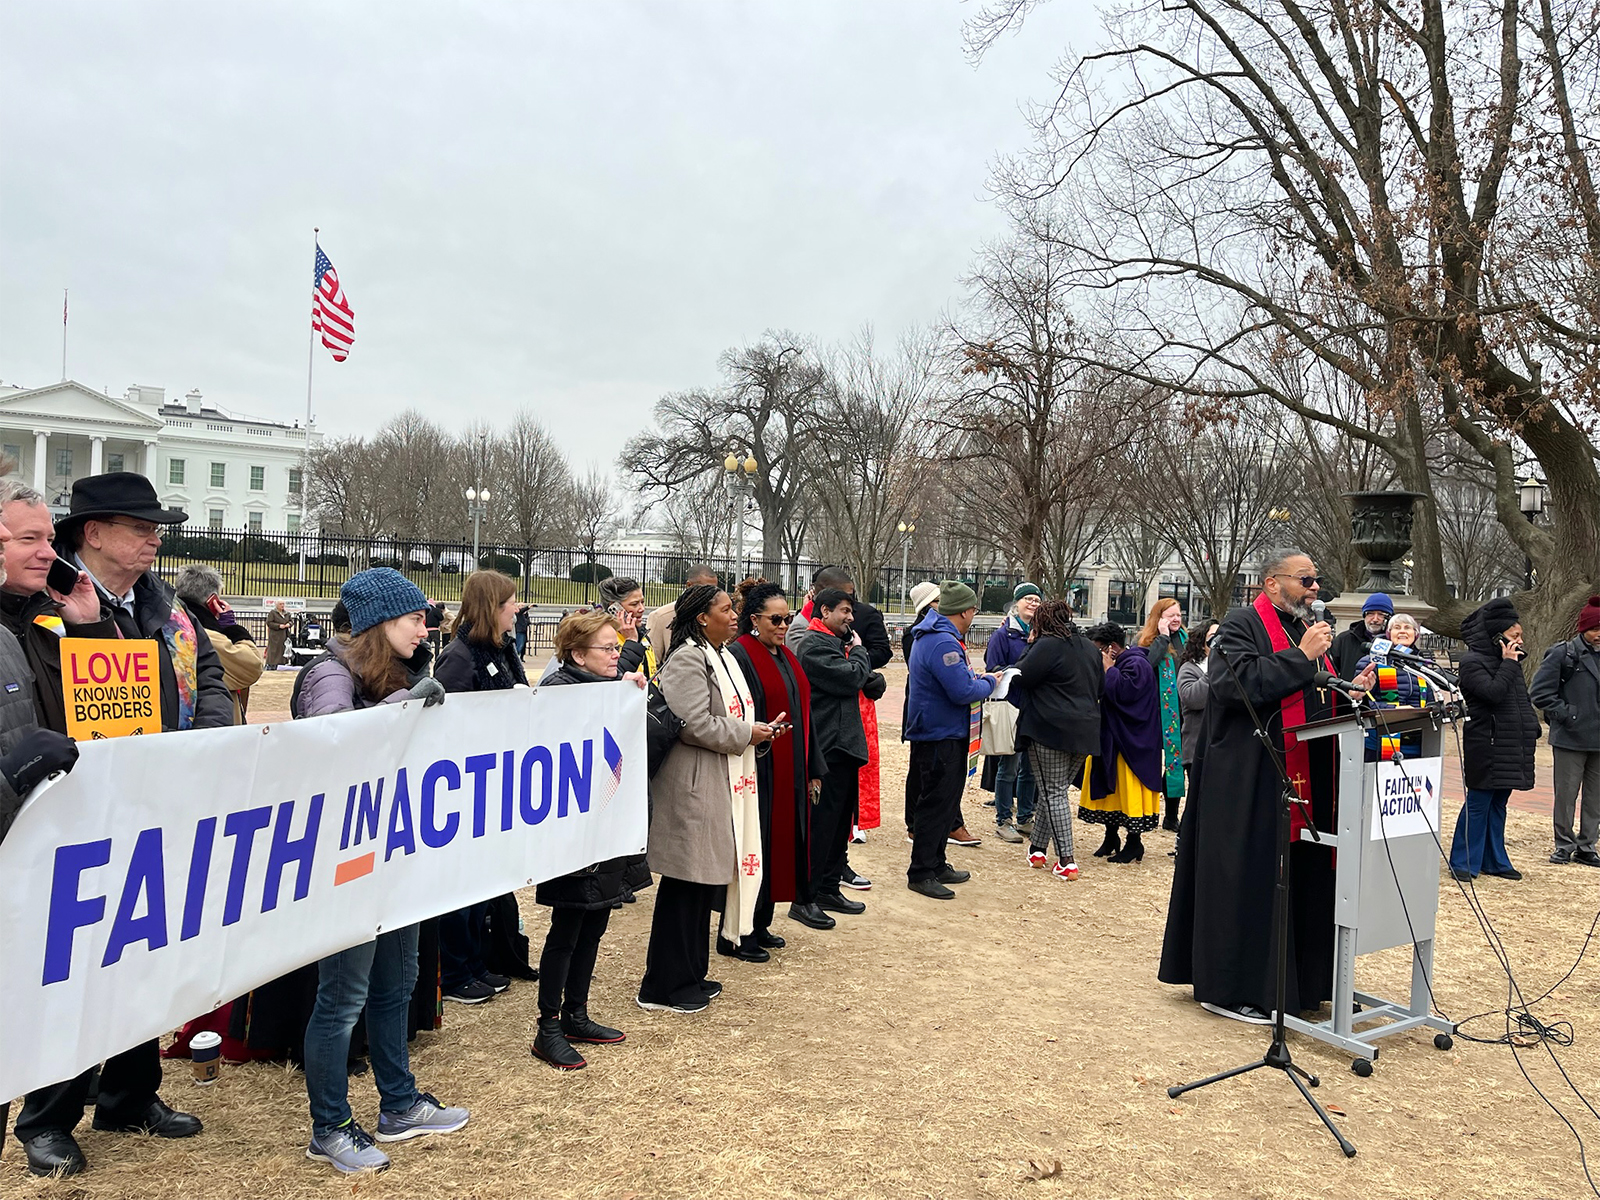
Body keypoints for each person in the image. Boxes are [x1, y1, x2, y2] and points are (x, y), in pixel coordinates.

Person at [14, 474, 232, 1174]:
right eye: (140, 527)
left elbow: (210, 682)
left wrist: (209, 744)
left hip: (159, 800)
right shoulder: (47, 606)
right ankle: (47, 1117)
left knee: (145, 952)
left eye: (156, 528)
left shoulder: (165, 608)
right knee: (76, 965)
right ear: (96, 534)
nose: (154, 538)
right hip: (75, 807)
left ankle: (130, 1094)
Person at [294, 568, 468, 1173]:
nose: (426, 631)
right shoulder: (328, 674)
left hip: (394, 852)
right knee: (343, 997)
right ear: (378, 624)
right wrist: (404, 706)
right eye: (415, 619)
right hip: (344, 862)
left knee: (398, 983)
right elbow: (330, 745)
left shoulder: (400, 671)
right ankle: (331, 1126)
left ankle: (398, 1104)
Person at [1160, 550, 1375, 1024]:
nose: (1315, 587)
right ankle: (1231, 986)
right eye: (1307, 579)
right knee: (1251, 879)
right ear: (1272, 583)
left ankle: (1302, 984)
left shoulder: (1304, 630)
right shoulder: (1241, 624)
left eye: (1317, 579)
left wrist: (1346, 687)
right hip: (1248, 777)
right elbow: (1234, 686)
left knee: (1303, 877)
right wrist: (1302, 658)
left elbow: (1311, 690)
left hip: (1305, 779)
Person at [638, 585, 781, 1013]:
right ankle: (664, 986)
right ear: (702, 617)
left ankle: (690, 975)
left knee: (702, 887)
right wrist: (746, 733)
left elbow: (727, 714)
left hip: (718, 778)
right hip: (693, 785)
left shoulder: (717, 654)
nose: (735, 615)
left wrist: (757, 731)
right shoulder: (687, 657)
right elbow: (692, 723)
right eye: (726, 609)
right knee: (685, 885)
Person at [530, 607, 644, 1068]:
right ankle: (548, 1025)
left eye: (617, 647)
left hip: (607, 828)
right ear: (577, 653)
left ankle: (577, 1011)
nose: (617, 655)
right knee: (568, 926)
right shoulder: (559, 694)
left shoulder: (610, 690)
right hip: (573, 836)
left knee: (596, 920)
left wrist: (631, 691)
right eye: (608, 648)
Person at [432, 571, 529, 1005]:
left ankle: (476, 961)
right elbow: (447, 726)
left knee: (483, 883)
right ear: (493, 607)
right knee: (459, 885)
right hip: (466, 786)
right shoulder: (459, 656)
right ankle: (455, 972)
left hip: (497, 782)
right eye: (510, 602)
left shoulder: (503, 648)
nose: (517, 608)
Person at [727, 581, 822, 945]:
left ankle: (761, 923)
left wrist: (814, 768)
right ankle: (739, 931)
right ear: (754, 619)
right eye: (776, 619)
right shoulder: (741, 655)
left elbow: (804, 714)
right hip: (758, 768)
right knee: (756, 845)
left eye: (789, 618)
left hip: (790, 767)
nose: (784, 625)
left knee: (779, 845)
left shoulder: (785, 655)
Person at [792, 586, 884, 921]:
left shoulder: (836, 643)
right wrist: (860, 656)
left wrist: (862, 673)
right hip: (827, 748)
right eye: (844, 611)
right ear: (824, 611)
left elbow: (865, 681)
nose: (850, 618)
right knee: (821, 827)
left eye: (851, 611)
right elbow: (850, 678)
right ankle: (804, 898)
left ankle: (829, 889)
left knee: (839, 826)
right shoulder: (813, 644)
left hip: (844, 748)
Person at [904, 581, 998, 899]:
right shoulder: (943, 643)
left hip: (940, 731)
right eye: (973, 609)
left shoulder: (935, 637)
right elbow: (962, 692)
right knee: (935, 804)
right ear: (963, 611)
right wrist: (989, 681)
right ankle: (921, 871)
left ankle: (936, 862)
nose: (974, 614)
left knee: (944, 804)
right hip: (940, 734)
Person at [1008, 600, 1101, 880]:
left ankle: (1067, 860)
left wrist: (1031, 643)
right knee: (1055, 791)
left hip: (1049, 727)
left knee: (1052, 793)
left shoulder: (1046, 644)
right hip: (1086, 729)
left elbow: (1020, 675)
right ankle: (1037, 849)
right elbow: (1102, 686)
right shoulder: (1088, 647)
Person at [1448, 597, 1539, 882]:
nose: (1520, 641)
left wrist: (1532, 728)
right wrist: (1509, 664)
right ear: (1497, 637)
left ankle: (1494, 860)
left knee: (1499, 803)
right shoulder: (1472, 662)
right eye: (1514, 636)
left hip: (1511, 743)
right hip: (1485, 743)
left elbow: (1520, 700)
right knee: (1479, 802)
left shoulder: (1510, 663)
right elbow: (1491, 693)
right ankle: (1463, 861)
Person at [1078, 621, 1164, 864]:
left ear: (1112, 648)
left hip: (1133, 742)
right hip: (1113, 739)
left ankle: (1134, 843)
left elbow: (1126, 694)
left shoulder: (1137, 663)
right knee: (1111, 790)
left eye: (1099, 650)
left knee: (1128, 791)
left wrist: (1109, 670)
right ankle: (1111, 837)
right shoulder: (1119, 663)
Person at [1531, 594, 1600, 867]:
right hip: (1570, 738)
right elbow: (1540, 692)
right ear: (1584, 629)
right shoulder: (1563, 653)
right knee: (1566, 795)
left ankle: (1587, 846)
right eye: (1595, 629)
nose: (1599, 635)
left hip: (1598, 740)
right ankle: (1564, 844)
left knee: (1595, 797)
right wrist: (1567, 714)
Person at [174, 564, 265, 726]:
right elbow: (252, 666)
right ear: (213, 601)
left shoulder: (172, 625)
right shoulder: (205, 636)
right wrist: (232, 628)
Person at [985, 582, 1041, 844]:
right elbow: (992, 666)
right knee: (1009, 766)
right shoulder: (1002, 635)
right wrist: (1018, 671)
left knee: (1030, 768)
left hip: (1034, 708)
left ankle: (1025, 817)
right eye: (1028, 599)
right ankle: (1003, 819)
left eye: (1037, 600)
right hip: (1010, 705)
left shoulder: (1042, 634)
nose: (1033, 603)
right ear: (1016, 603)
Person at [1354, 611, 1434, 761]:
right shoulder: (1372, 661)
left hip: (1418, 740)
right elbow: (1363, 703)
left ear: (1415, 635)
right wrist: (1396, 711)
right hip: (1381, 740)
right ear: (1389, 634)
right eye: (1397, 627)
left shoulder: (1420, 664)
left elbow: (1430, 699)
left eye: (1408, 627)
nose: (1403, 631)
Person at [1139, 598, 1188, 832]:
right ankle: (1147, 812)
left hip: (1184, 712)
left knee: (1176, 765)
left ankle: (1171, 815)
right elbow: (1147, 666)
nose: (1176, 619)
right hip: (1160, 712)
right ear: (1159, 618)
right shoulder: (1149, 642)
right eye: (1170, 615)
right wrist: (1162, 637)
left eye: (1178, 615)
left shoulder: (1188, 641)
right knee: (1159, 763)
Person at [900, 581, 939, 839]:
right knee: (919, 766)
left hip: (928, 705)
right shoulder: (914, 634)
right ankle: (913, 821)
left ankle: (920, 820)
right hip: (921, 705)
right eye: (938, 600)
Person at [1176, 620, 1218, 798]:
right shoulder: (1189, 669)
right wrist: (1215, 669)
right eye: (1212, 638)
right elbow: (1193, 699)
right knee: (1199, 799)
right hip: (1196, 751)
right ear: (1202, 643)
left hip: (1221, 748)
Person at [646, 564, 717, 649]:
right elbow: (652, 659)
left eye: (714, 590)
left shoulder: (717, 616)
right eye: (704, 589)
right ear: (689, 585)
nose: (710, 594)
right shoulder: (661, 617)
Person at [1331, 592, 1392, 679]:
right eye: (1370, 613)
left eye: (1381, 614)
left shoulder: (1394, 642)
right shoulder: (1344, 639)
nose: (1375, 619)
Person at [266, 599, 293, 668]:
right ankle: (272, 664)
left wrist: (289, 624)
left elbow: (291, 621)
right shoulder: (272, 613)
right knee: (274, 649)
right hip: (275, 635)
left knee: (283, 649)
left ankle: (283, 663)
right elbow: (269, 623)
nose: (282, 606)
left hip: (284, 634)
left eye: (283, 604)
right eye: (280, 604)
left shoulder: (287, 613)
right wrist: (278, 626)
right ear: (277, 605)